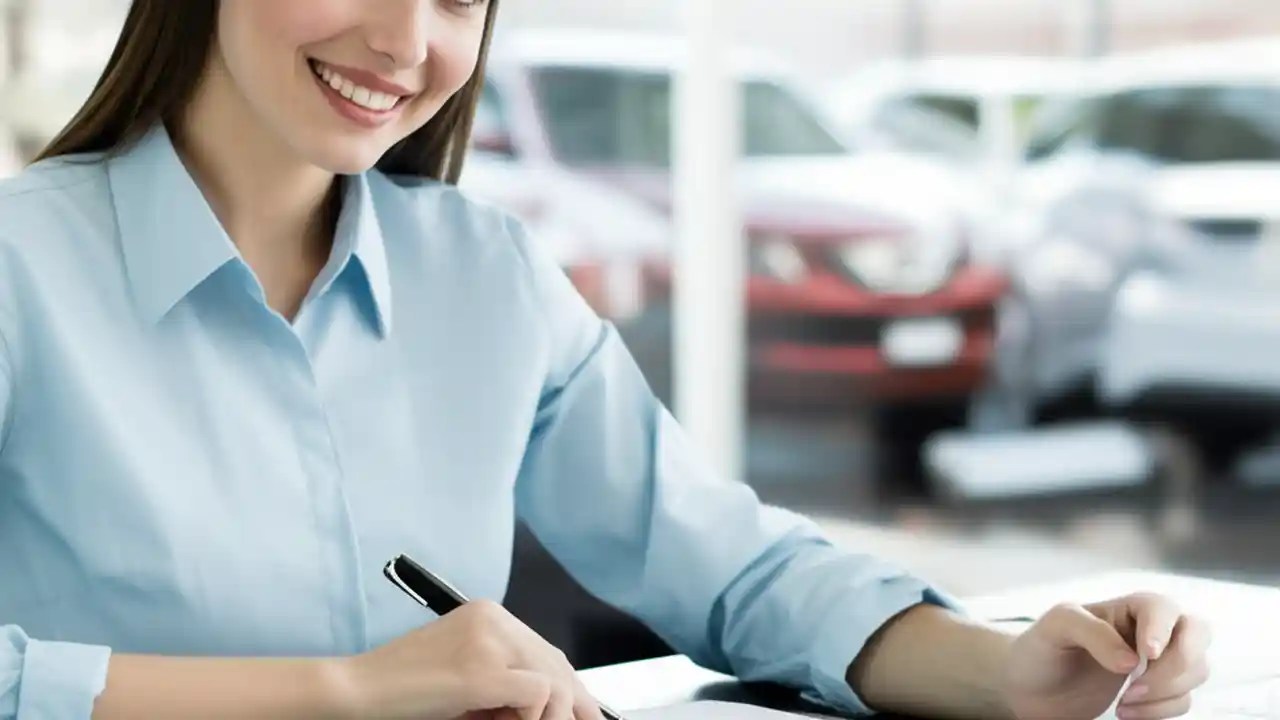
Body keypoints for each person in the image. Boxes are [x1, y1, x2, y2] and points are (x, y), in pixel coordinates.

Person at [0, 1, 1209, 719]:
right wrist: (354, 690)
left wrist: (1014, 674)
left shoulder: (485, 274)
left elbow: (732, 571)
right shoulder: (21, 266)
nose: (405, 42)